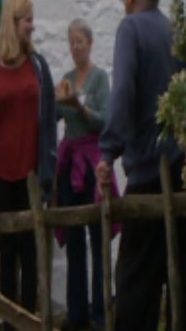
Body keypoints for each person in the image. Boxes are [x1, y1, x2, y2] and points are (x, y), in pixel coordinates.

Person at [96, 0, 186, 331]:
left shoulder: (131, 29)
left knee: (136, 291)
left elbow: (123, 92)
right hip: (181, 171)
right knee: (180, 283)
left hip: (148, 174)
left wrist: (108, 151)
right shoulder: (176, 32)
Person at [0, 0, 56, 327]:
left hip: (32, 175)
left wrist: (50, 169)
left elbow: (49, 120)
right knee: (6, 256)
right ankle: (8, 323)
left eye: (33, 20)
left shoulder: (38, 66)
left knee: (31, 253)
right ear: (13, 23)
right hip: (2, 175)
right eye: (28, 21)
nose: (32, 26)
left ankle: (29, 321)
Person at [54, 20, 111, 331]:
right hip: (70, 160)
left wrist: (81, 108)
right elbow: (57, 117)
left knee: (97, 237)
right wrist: (56, 101)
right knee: (74, 237)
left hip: (92, 161)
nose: (75, 47)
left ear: (90, 43)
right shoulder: (66, 79)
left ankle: (100, 311)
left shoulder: (100, 79)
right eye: (71, 42)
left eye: (79, 41)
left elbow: (105, 121)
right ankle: (76, 312)